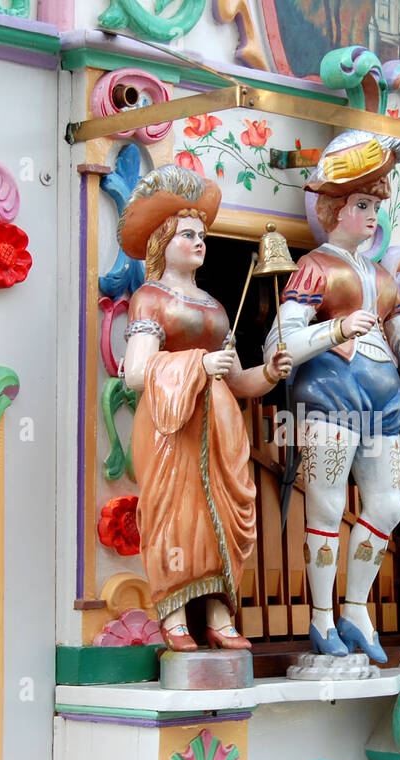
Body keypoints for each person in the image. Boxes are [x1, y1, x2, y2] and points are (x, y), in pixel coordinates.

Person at [267, 132, 400, 663]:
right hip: (330, 400)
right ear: (333, 209)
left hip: (382, 407)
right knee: (327, 504)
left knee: (388, 505)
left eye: (377, 205)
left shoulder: (385, 278)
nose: (372, 214)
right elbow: (278, 342)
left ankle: (356, 608)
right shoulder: (315, 268)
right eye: (362, 204)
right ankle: (322, 618)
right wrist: (334, 330)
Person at [119, 165, 293, 652]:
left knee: (223, 511)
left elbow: (236, 380)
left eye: (202, 234)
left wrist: (270, 373)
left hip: (220, 428)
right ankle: (174, 615)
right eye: (187, 234)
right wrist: (198, 362)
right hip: (172, 428)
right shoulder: (150, 299)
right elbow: (136, 372)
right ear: (163, 240)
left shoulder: (216, 306)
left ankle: (219, 615)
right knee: (176, 516)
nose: (199, 241)